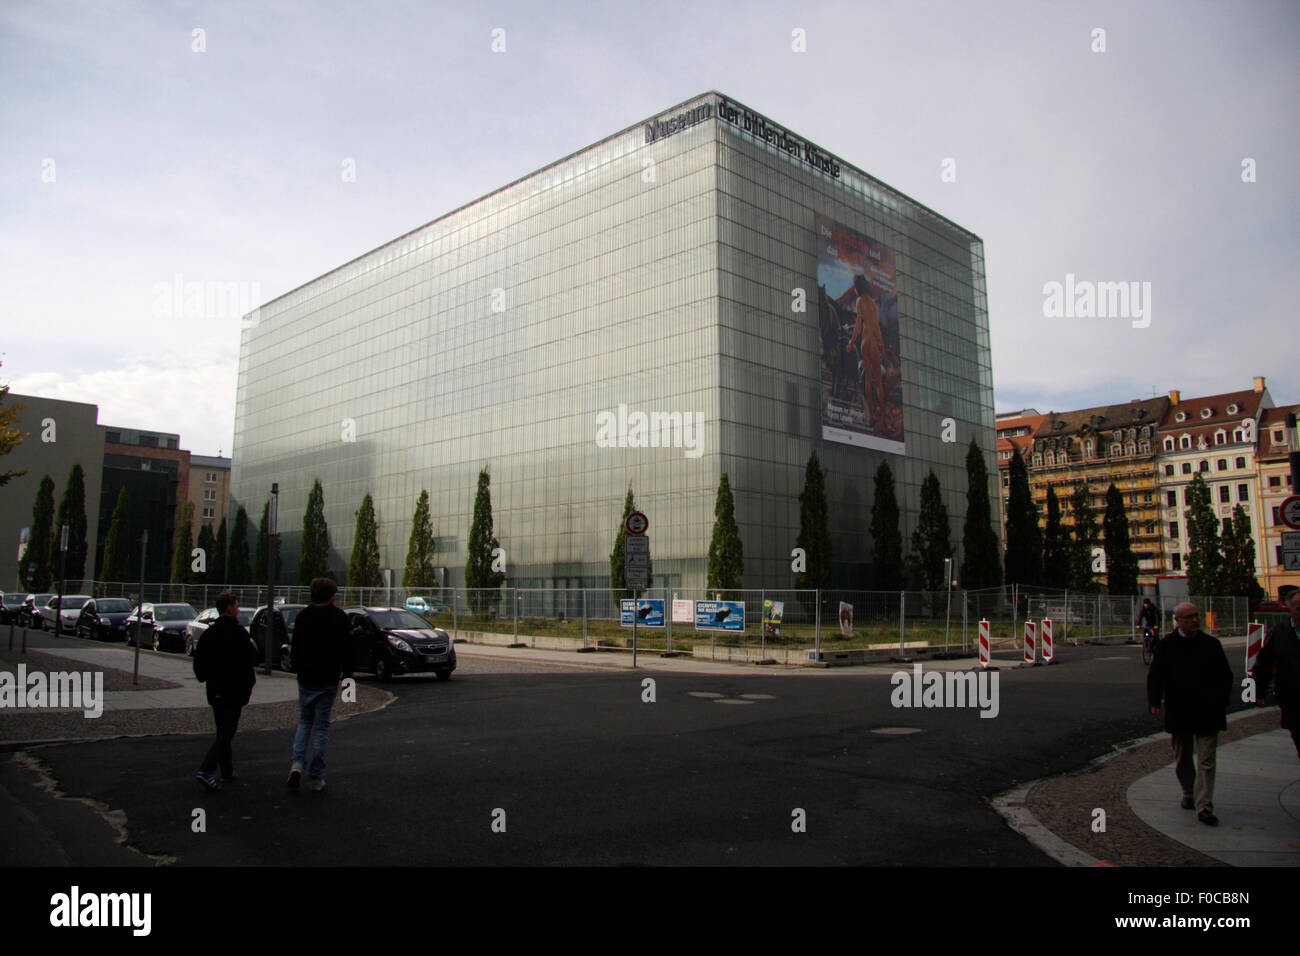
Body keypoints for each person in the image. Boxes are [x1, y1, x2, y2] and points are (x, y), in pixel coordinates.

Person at [1145, 602, 1234, 826]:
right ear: (1178, 621)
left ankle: (1204, 806)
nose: (1195, 620)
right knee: (1183, 757)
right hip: (1180, 709)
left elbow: (1225, 676)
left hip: (1208, 710)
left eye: (1197, 615)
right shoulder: (1167, 646)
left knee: (1206, 760)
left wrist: (1221, 701)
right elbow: (1156, 676)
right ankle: (1189, 792)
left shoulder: (1211, 645)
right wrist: (1155, 701)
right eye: (1189, 617)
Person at [287, 577, 352, 792]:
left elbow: (295, 648)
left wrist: (298, 668)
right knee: (322, 726)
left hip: (306, 678)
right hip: (328, 678)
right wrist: (347, 676)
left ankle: (297, 764)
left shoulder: (303, 617)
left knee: (305, 721)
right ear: (331, 595)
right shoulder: (339, 617)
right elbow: (346, 649)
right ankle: (316, 776)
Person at [193, 592, 256, 790]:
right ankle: (206, 769)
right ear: (229, 608)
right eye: (236, 606)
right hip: (234, 689)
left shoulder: (209, 633)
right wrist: (247, 684)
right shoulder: (239, 633)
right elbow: (251, 658)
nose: (238, 609)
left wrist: (205, 677)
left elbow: (199, 663)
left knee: (222, 728)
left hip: (215, 689)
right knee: (227, 731)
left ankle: (227, 770)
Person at [1251, 588, 1300, 761]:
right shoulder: (1280, 632)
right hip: (1292, 698)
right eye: (1298, 609)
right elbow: (1263, 663)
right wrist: (1257, 691)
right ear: (1290, 610)